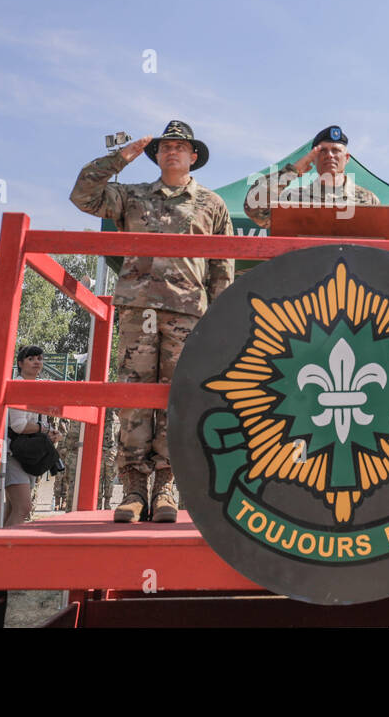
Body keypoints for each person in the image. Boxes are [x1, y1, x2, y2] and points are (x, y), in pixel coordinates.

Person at [69, 119, 234, 522]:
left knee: (179, 398)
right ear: (156, 155)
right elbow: (83, 195)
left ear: (194, 156)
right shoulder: (132, 196)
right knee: (134, 398)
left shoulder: (212, 204)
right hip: (137, 310)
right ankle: (133, 489)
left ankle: (166, 486)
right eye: (164, 147)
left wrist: (221, 322)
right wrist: (120, 157)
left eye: (181, 146)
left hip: (188, 312)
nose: (172, 151)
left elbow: (221, 267)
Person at [243, 124, 381, 229]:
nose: (330, 155)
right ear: (313, 159)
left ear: (347, 158)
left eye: (336, 150)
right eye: (323, 151)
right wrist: (292, 171)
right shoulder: (293, 198)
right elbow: (254, 208)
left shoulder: (369, 200)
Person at [4, 346, 61, 527]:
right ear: (20, 363)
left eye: (39, 358)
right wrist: (44, 430)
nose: (37, 361)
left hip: (29, 454)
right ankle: (6, 550)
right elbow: (19, 425)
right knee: (23, 507)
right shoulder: (17, 386)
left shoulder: (40, 386)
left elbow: (40, 422)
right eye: (31, 359)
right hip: (13, 453)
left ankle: (2, 549)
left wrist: (49, 431)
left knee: (13, 508)